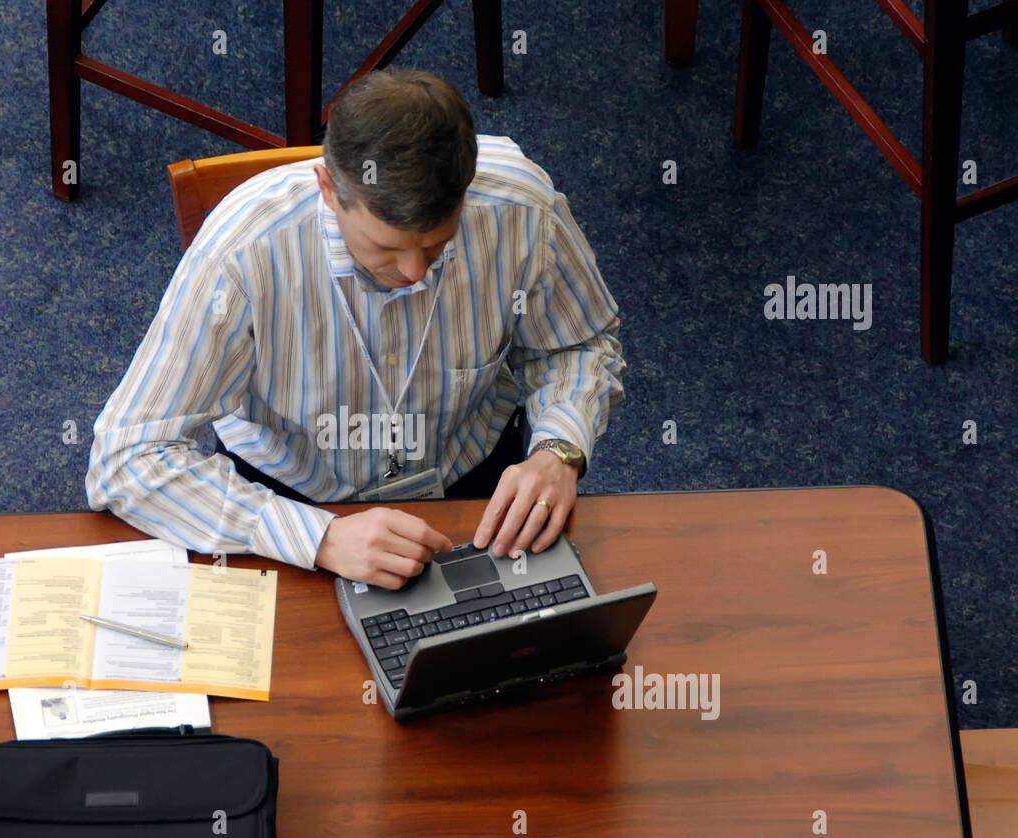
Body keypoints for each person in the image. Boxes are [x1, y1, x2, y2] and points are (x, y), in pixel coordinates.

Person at [86, 68, 626, 590]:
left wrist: (559, 450)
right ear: (326, 186)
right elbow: (126, 457)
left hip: (478, 493)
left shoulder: (523, 210)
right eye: (387, 248)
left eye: (437, 245)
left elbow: (579, 344)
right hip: (292, 498)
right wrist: (318, 537)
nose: (414, 273)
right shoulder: (244, 253)